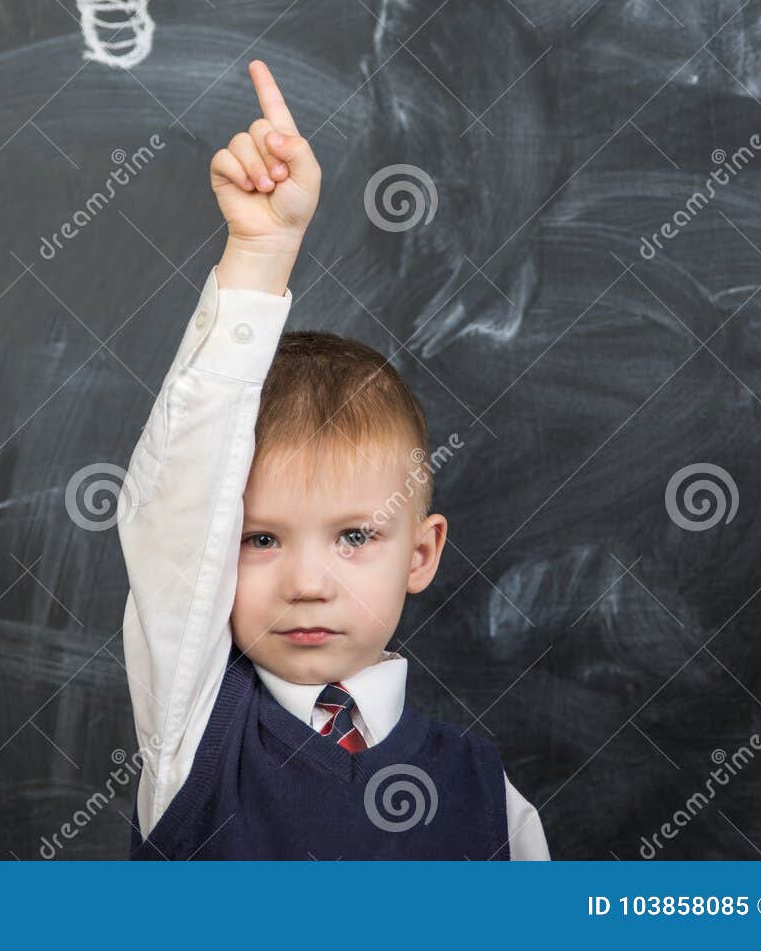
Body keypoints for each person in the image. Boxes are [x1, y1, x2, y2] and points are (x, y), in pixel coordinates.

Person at [118, 59, 548, 859]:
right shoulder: (191, 732)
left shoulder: (491, 800)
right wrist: (261, 253)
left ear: (421, 553)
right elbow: (180, 499)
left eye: (354, 536)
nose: (308, 583)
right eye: (260, 538)